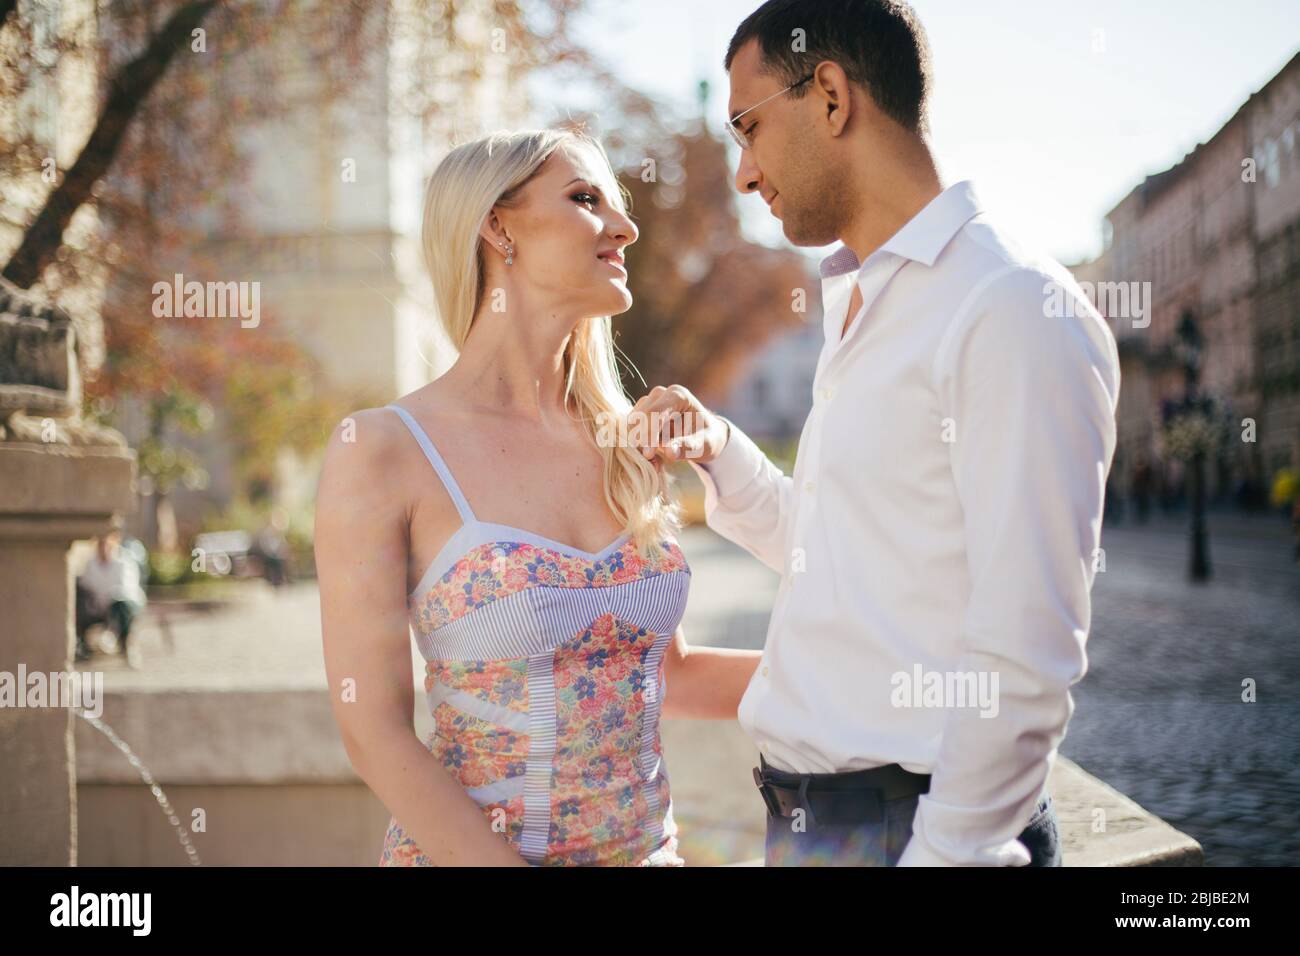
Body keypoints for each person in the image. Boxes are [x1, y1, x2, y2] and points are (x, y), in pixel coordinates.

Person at [632, 0, 1120, 866]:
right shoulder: (872, 300)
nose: (743, 173)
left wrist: (941, 855)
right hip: (821, 828)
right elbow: (858, 557)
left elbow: (1028, 650)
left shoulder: (1005, 307)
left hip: (907, 834)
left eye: (748, 128)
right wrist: (722, 451)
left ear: (829, 96)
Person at [314, 128, 762, 866]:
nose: (627, 226)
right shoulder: (383, 450)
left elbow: (667, 675)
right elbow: (375, 731)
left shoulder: (625, 443)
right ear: (496, 225)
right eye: (586, 199)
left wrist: (857, 671)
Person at [76, 525, 148, 667]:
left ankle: (125, 644)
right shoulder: (91, 564)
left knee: (120, 606)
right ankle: (83, 646)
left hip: (122, 605)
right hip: (98, 606)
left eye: (106, 544)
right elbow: (86, 585)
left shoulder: (124, 562)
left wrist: (106, 601)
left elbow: (124, 590)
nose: (103, 548)